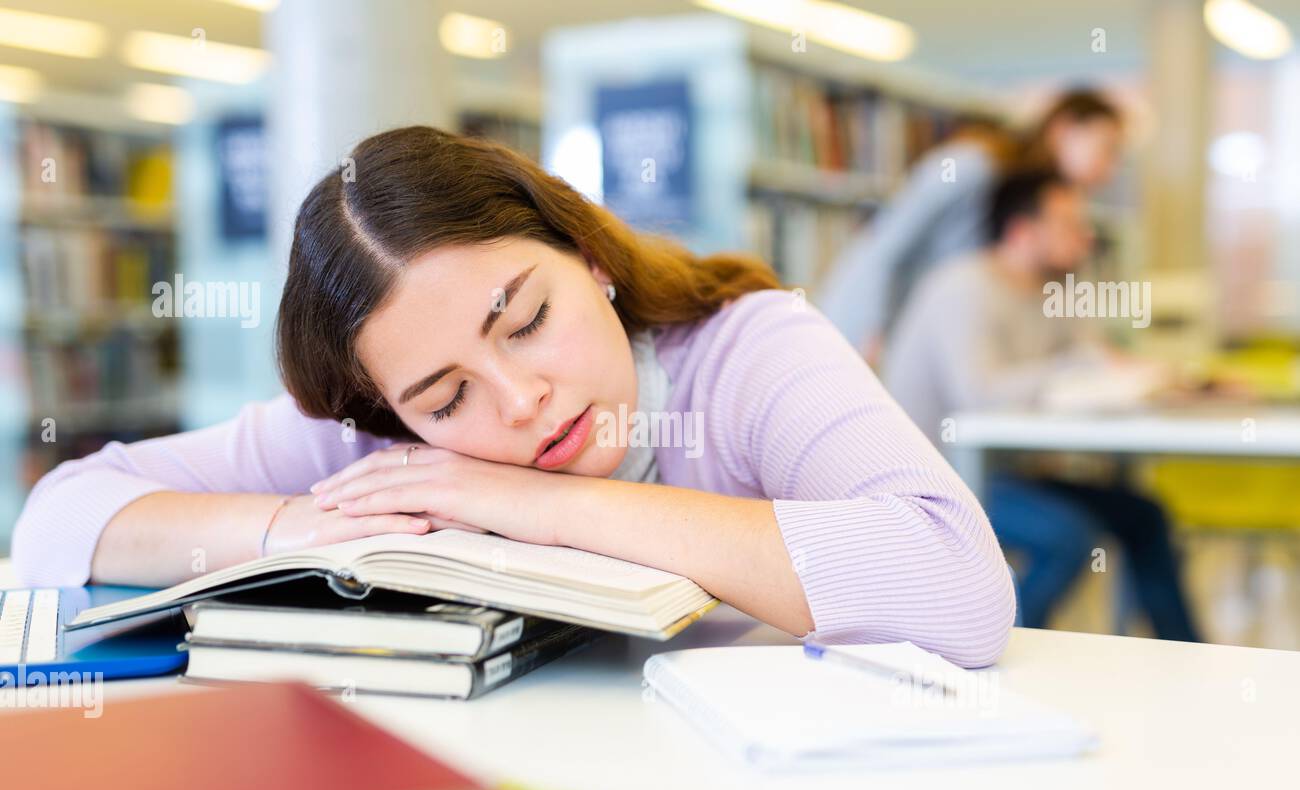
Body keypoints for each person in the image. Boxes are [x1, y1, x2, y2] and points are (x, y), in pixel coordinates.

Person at [12, 126, 1016, 668]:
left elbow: (959, 587)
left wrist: (539, 503)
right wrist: (315, 526)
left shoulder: (748, 348)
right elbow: (57, 519)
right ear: (392, 412)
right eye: (446, 398)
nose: (523, 399)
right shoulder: (377, 451)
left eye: (525, 318)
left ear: (585, 255)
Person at [883, 167, 1202, 641]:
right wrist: (1074, 369)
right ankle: (990, 645)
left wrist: (1175, 379)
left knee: (1143, 515)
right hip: (943, 477)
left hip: (1007, 474)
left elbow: (1099, 360)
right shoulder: (963, 287)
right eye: (1070, 224)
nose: (1087, 236)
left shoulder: (1054, 291)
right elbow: (981, 393)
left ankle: (1185, 658)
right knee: (1067, 536)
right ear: (1022, 230)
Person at [817, 88, 1123, 357]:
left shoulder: (1043, 212)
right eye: (1106, 150)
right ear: (1063, 129)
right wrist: (869, 328)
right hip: (872, 335)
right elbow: (885, 244)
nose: (1108, 171)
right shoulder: (971, 167)